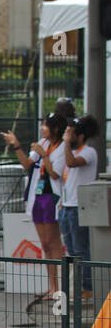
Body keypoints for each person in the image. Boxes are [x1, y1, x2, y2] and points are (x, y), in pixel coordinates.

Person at [2, 113, 66, 299]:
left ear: (54, 128)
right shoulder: (42, 143)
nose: (42, 128)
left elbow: (55, 174)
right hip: (37, 196)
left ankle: (61, 286)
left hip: (52, 196)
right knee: (45, 244)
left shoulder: (61, 148)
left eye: (45, 125)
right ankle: (51, 285)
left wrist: (45, 156)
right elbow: (26, 164)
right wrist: (16, 145)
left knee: (54, 243)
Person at [59, 114, 99, 299]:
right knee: (71, 251)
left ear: (80, 136)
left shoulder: (88, 152)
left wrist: (66, 143)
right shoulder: (71, 151)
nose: (66, 136)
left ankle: (88, 287)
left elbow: (71, 163)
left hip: (78, 208)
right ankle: (77, 286)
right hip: (67, 206)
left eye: (70, 133)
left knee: (82, 249)